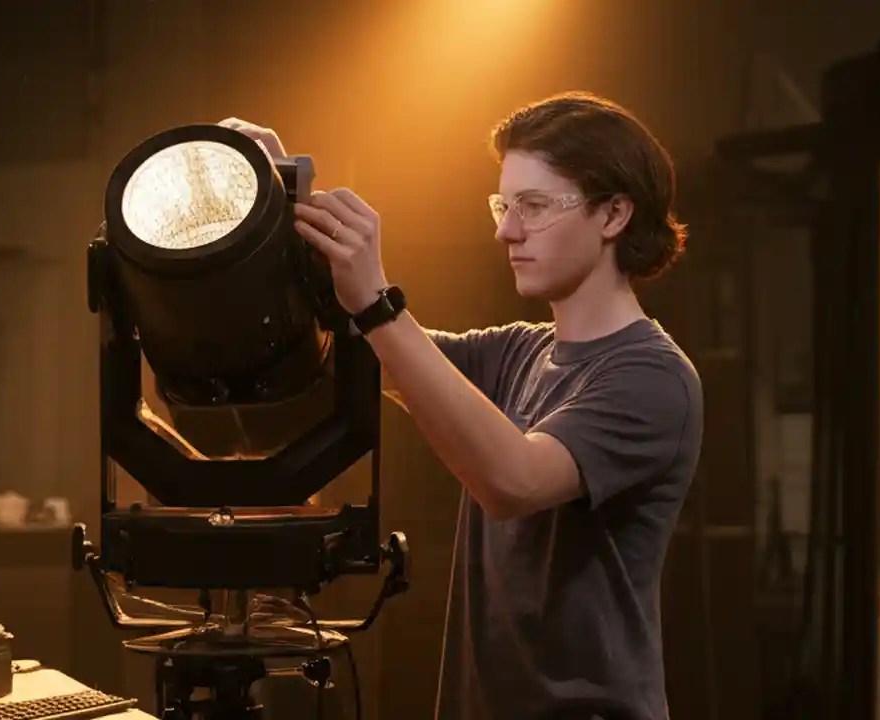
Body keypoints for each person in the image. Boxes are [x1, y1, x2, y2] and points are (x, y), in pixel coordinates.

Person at [222, 90, 703, 720]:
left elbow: (512, 480)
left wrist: (375, 301)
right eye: (504, 205)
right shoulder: (516, 353)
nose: (506, 229)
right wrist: (287, 211)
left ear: (613, 215)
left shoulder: (652, 377)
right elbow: (378, 355)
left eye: (534, 206)